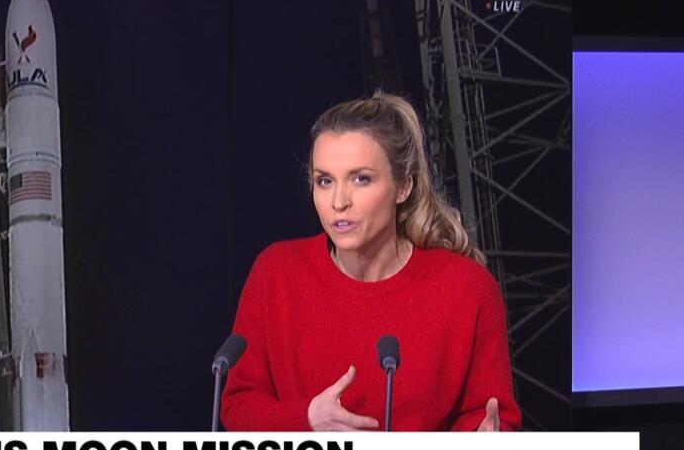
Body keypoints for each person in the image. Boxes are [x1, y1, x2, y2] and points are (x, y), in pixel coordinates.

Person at [221, 93, 521, 432]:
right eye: (325, 181)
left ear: (403, 187)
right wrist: (307, 418)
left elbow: (491, 417)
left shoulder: (467, 288)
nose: (338, 202)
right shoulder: (276, 273)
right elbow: (238, 406)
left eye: (361, 179)